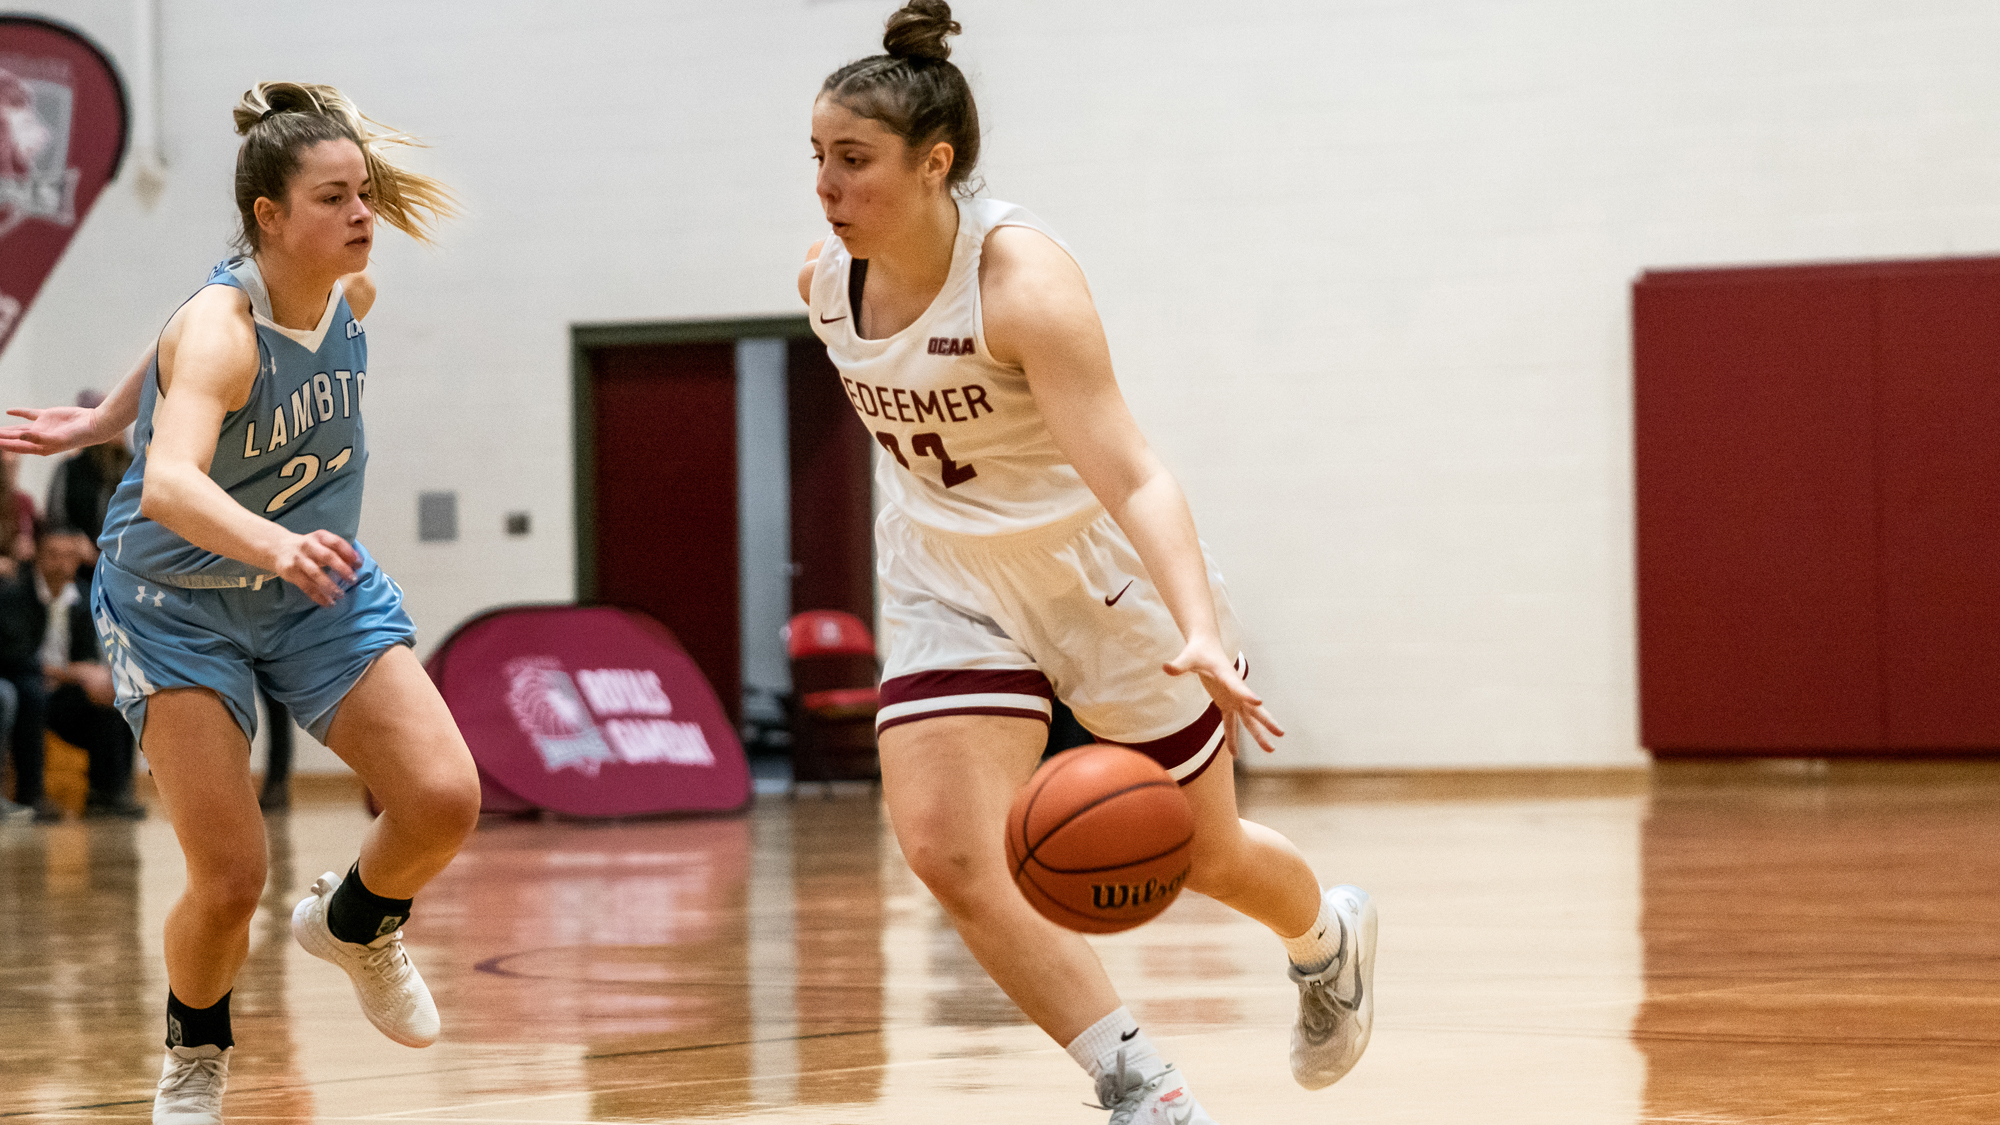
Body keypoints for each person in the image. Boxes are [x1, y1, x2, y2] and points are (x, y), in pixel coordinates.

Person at [802, 6, 1377, 1121]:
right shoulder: (824, 283)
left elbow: (1133, 474)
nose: (826, 185)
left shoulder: (1021, 282)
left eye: (853, 160)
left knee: (1202, 854)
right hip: (945, 578)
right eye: (816, 157)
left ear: (936, 163)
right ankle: (1139, 1088)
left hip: (1093, 574)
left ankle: (1325, 937)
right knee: (948, 853)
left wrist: (1198, 623)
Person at [0, 81, 479, 1124]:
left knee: (442, 797)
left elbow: (181, 329)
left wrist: (103, 417)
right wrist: (268, 538)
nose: (362, 217)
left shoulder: (348, 298)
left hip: (311, 588)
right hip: (176, 601)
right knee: (229, 876)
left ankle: (355, 923)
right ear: (270, 216)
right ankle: (195, 1050)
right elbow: (171, 480)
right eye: (334, 199)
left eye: (365, 194)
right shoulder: (225, 329)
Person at [0, 524, 146, 819]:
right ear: (38, 556)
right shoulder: (16, 591)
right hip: (26, 680)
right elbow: (15, 656)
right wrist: (71, 673)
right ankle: (31, 795)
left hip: (62, 690)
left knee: (113, 698)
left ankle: (108, 792)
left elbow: (86, 657)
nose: (63, 563)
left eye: (70, 556)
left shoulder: (83, 598)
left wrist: (94, 677)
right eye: (54, 555)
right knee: (29, 695)